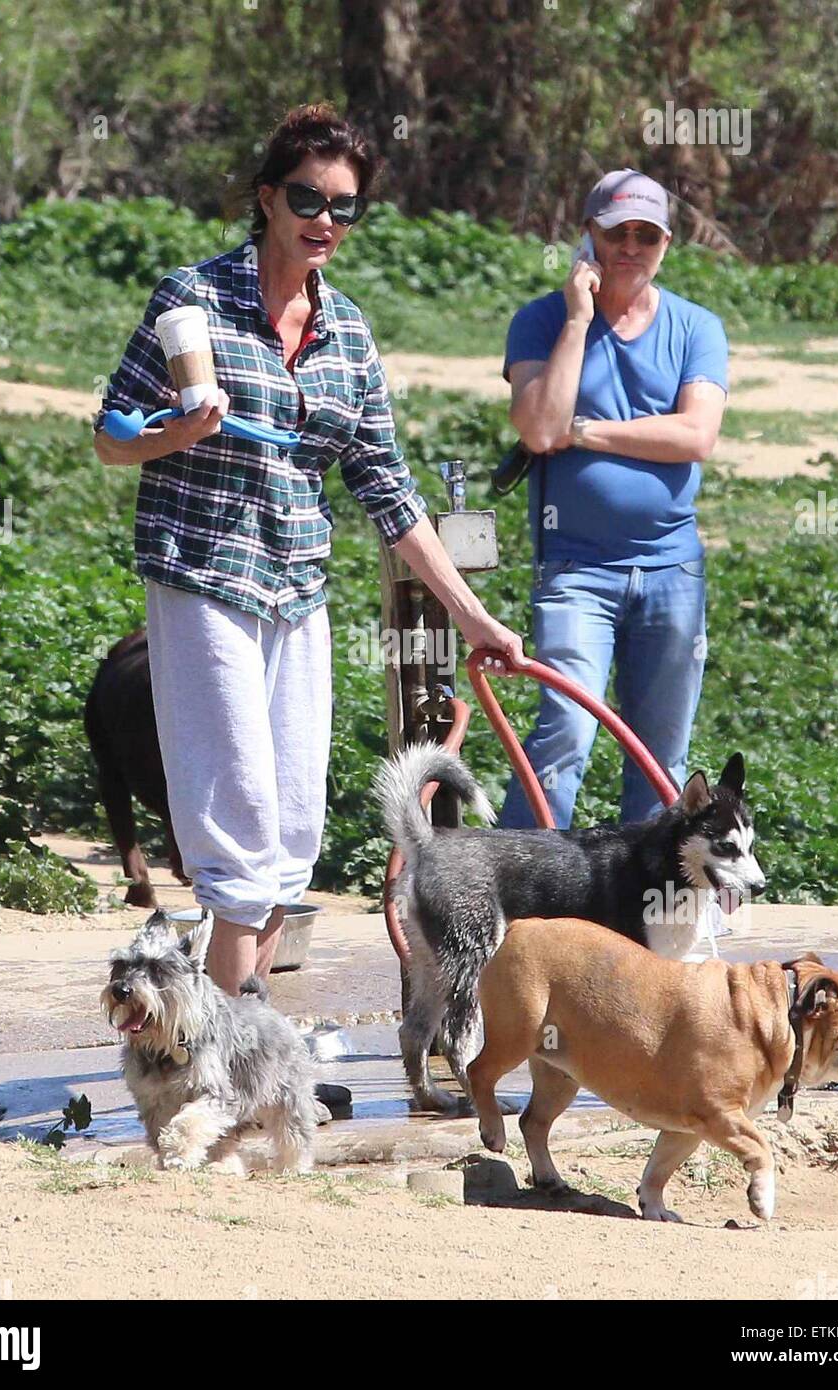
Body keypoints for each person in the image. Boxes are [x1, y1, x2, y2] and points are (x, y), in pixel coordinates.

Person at [94, 103, 525, 992]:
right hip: (205, 572)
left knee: (294, 822)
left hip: (297, 586)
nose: (324, 219)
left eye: (344, 205)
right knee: (238, 812)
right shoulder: (194, 300)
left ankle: (229, 1030)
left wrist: (473, 615)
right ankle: (224, 1047)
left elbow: (387, 487)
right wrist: (176, 433)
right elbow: (110, 435)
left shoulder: (350, 332)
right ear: (267, 197)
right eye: (306, 198)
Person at [498, 169, 728, 830]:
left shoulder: (695, 328)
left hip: (671, 571)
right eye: (615, 232)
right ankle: (523, 903)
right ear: (588, 236)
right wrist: (577, 318)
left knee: (660, 759)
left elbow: (695, 435)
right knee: (563, 735)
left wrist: (585, 432)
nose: (629, 246)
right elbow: (539, 426)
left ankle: (649, 911)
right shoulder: (541, 321)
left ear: (664, 243)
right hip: (575, 572)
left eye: (645, 235)